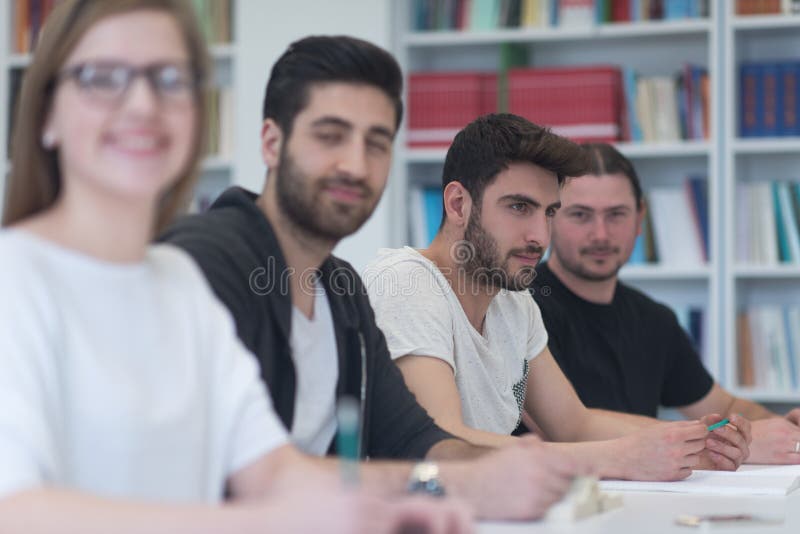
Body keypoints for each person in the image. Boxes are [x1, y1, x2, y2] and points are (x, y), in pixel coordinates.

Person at [0, 2, 472, 533]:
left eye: (170, 79)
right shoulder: (14, 280)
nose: (142, 105)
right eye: (102, 77)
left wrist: (414, 498)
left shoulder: (178, 286)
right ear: (44, 114)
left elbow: (271, 473)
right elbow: (14, 510)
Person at [161, 34, 583, 521]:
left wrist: (505, 471)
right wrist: (466, 480)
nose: (356, 165)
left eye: (377, 144)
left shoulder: (343, 294)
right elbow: (239, 476)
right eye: (330, 136)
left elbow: (413, 441)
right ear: (272, 143)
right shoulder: (205, 266)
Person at [364, 113, 752, 481]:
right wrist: (622, 456)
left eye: (549, 212)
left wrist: (687, 445)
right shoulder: (406, 283)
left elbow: (573, 424)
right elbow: (441, 441)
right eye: (519, 207)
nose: (540, 236)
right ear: (458, 204)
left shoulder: (514, 303)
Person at [531, 142, 800, 465]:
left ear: (640, 217)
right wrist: (736, 441)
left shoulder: (654, 319)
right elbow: (568, 427)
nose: (600, 234)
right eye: (581, 215)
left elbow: (723, 408)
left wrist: (785, 430)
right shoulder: (523, 308)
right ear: (549, 218)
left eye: (616, 214)